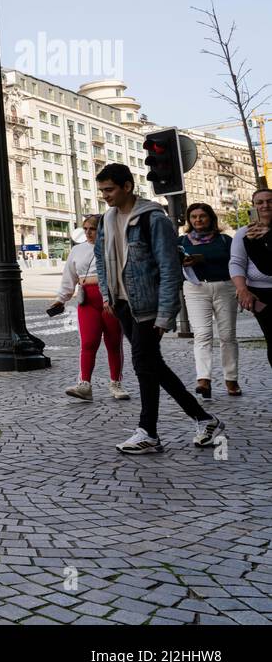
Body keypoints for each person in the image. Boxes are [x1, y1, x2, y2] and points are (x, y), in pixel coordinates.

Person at [94, 163, 223, 454]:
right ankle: (204, 419)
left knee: (143, 365)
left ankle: (148, 432)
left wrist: (166, 313)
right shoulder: (106, 220)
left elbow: (169, 268)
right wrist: (107, 296)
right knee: (153, 365)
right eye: (102, 190)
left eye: (110, 189)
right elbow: (102, 261)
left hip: (149, 306)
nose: (105, 196)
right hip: (123, 304)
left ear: (127, 186)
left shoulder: (153, 219)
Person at [54, 214, 127, 400]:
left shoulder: (114, 246)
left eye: (92, 229)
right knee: (88, 342)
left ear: (102, 229)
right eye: (85, 228)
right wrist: (61, 299)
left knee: (113, 342)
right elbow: (69, 276)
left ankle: (116, 383)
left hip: (110, 299)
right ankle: (84, 384)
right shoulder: (77, 250)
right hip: (87, 301)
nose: (88, 232)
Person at [179, 202, 240, 398]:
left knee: (227, 335)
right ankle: (203, 380)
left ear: (210, 218)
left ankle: (231, 379)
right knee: (203, 334)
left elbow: (234, 261)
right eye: (194, 217)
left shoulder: (224, 240)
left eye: (202, 216)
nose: (198, 220)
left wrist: (202, 258)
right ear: (189, 220)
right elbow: (172, 263)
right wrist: (184, 262)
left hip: (225, 287)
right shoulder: (182, 241)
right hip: (196, 289)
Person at [230, 187, 272, 373]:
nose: (265, 205)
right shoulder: (244, 233)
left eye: (269, 201)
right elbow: (236, 262)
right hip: (260, 294)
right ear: (253, 206)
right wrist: (242, 289)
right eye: (260, 202)